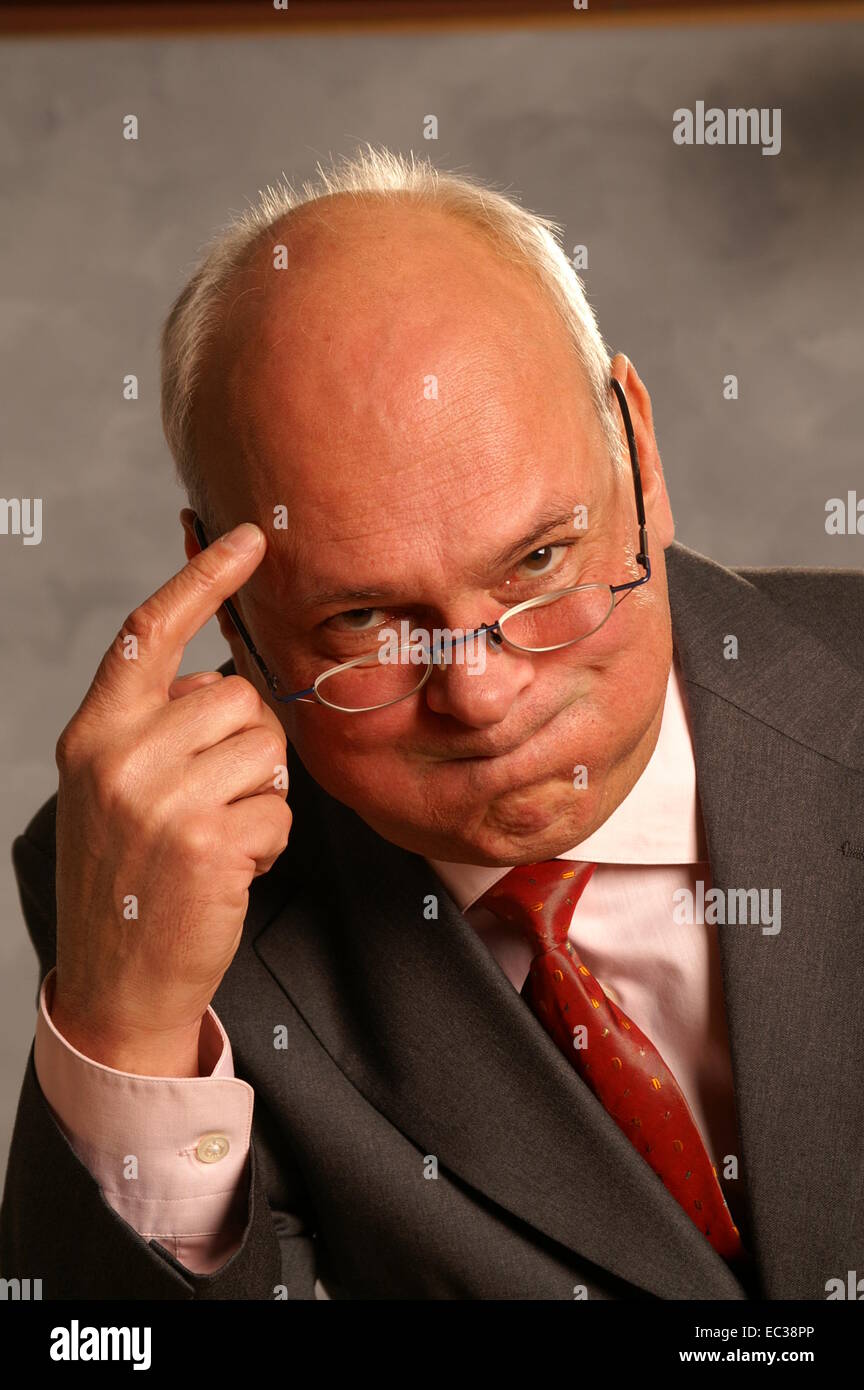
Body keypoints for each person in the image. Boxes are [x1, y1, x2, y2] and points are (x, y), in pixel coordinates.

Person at [2, 147, 862, 1300]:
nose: (481, 693)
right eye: (365, 619)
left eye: (540, 563)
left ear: (640, 451)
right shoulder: (132, 873)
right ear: (227, 590)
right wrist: (127, 1037)